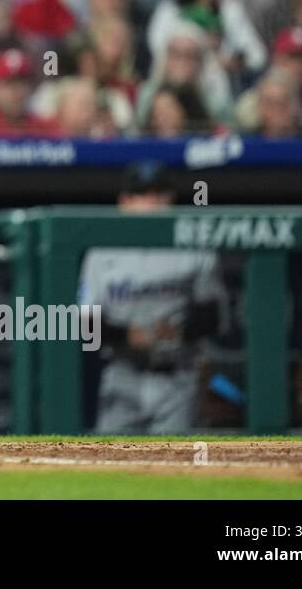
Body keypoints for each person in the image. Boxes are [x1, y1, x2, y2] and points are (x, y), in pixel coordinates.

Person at [77, 161, 226, 434]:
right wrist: (127, 336)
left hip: (178, 376)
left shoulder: (194, 244)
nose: (152, 202)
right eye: (142, 194)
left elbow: (214, 317)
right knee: (111, 466)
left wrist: (180, 331)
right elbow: (85, 325)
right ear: (125, 202)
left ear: (170, 199)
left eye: (159, 194)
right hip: (121, 374)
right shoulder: (102, 251)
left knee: (175, 467)